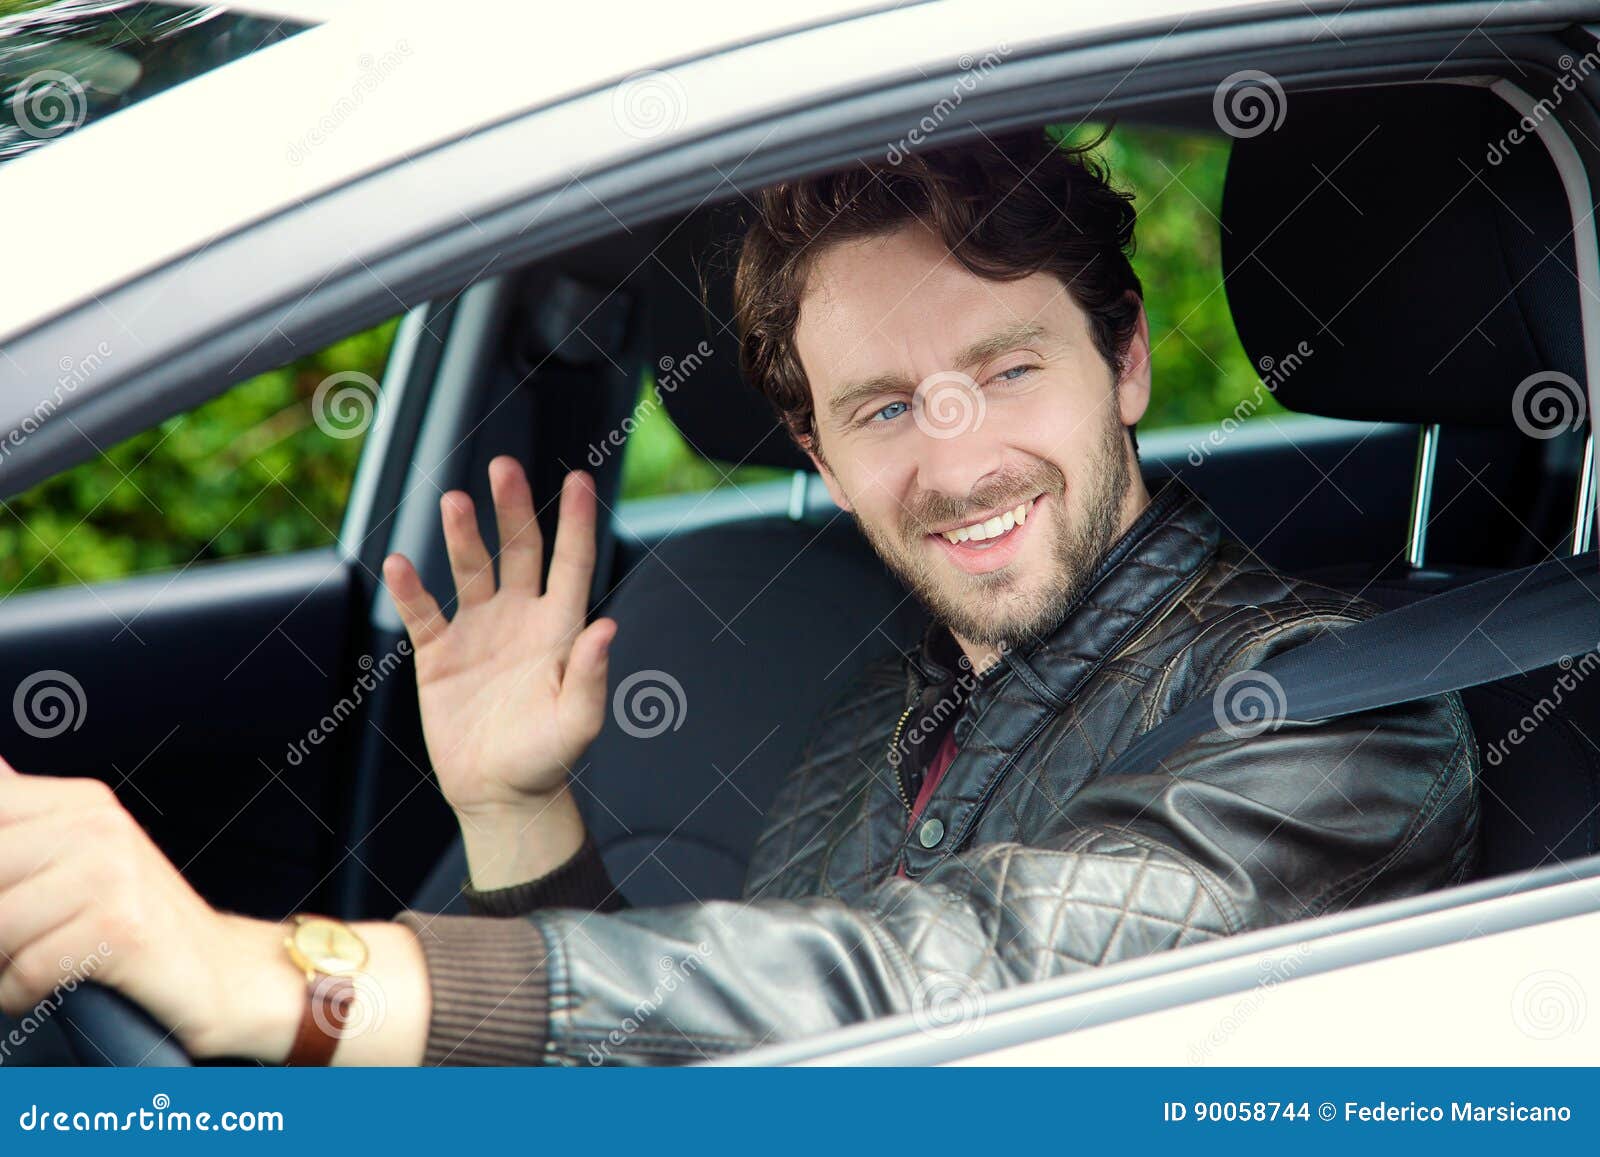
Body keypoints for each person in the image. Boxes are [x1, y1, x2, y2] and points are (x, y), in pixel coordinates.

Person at [0, 128, 1479, 1066]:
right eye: (885, 407)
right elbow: (739, 1058)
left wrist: (279, 981)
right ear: (818, 456)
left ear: (1131, 362)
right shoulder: (881, 711)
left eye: (1011, 367)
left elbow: (936, 983)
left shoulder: (1346, 713)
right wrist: (520, 813)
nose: (961, 458)